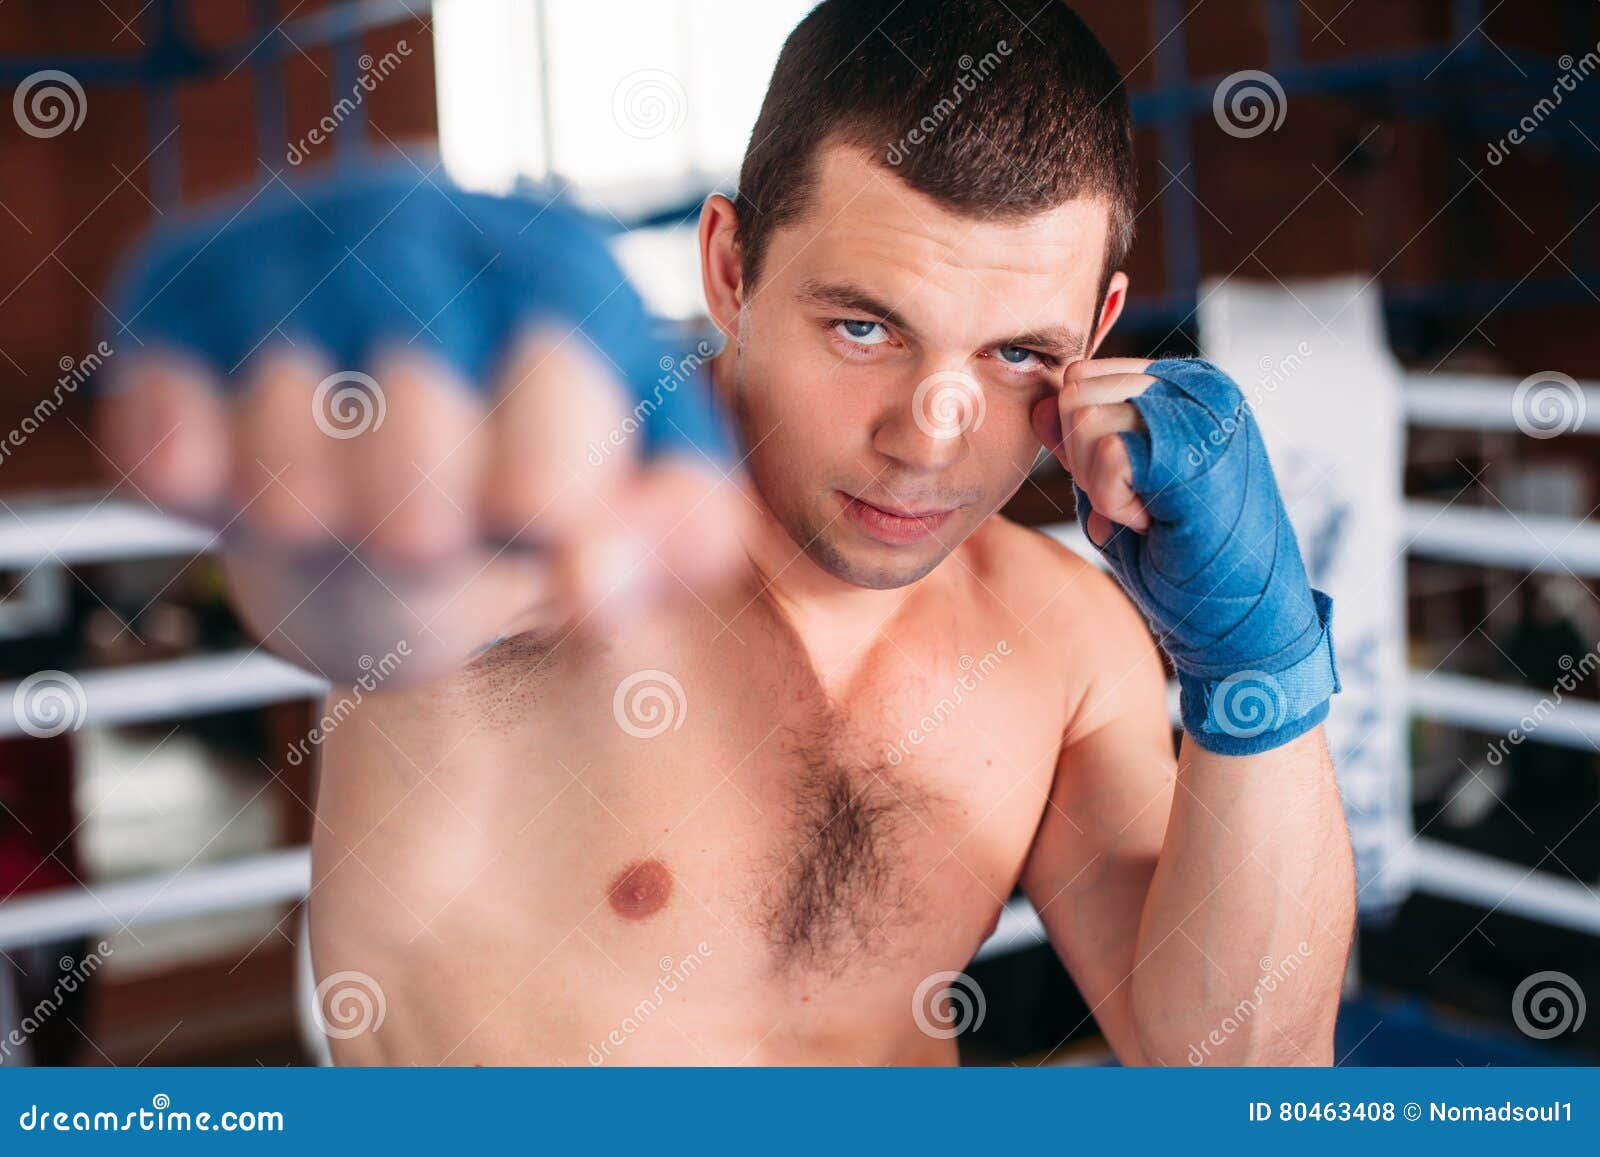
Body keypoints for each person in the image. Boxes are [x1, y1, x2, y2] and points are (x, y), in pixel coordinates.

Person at [98, 0, 1354, 1065]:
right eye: (864, 327)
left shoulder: (1063, 635)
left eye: (1019, 351)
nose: (930, 432)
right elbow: (383, 602)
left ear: (1101, 327)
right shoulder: (579, 536)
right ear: (730, 269)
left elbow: (1235, 1063)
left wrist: (1262, 665)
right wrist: (361, 437)